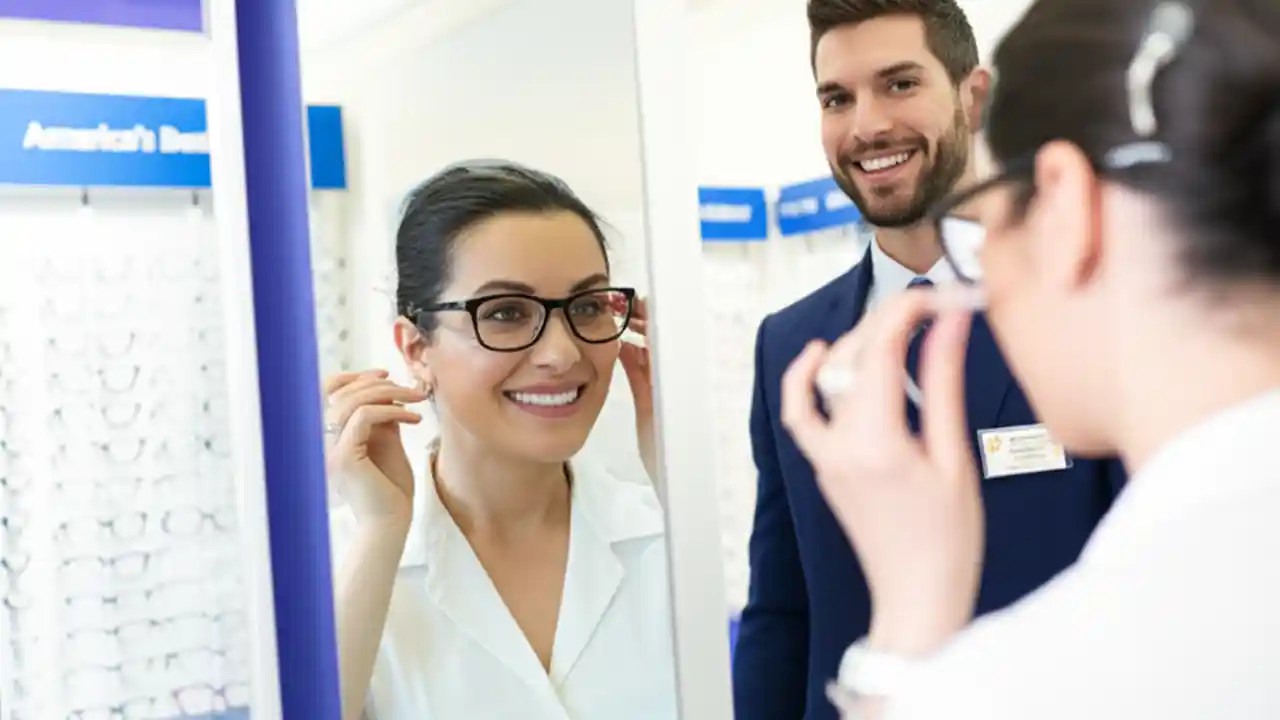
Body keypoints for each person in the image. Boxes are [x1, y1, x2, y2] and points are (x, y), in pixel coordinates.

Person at [780, 0, 1280, 716]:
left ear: (1065, 207)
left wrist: (906, 638)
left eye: (990, 216)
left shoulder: (1048, 675)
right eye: (836, 97)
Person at [732, 2, 1127, 718]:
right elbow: (782, 611)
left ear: (973, 96)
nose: (867, 125)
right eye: (837, 98)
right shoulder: (789, 344)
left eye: (900, 83)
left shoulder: (1077, 301)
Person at [322, 160, 676, 720]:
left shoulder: (667, 534)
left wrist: (679, 472)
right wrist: (381, 532)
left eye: (586, 307)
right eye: (507, 313)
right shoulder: (345, 562)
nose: (561, 354)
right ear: (416, 348)